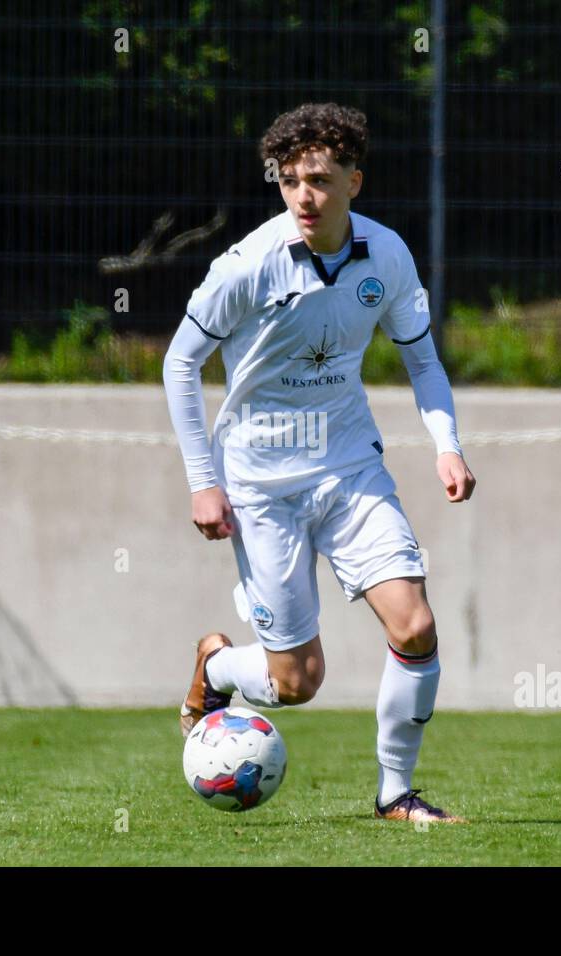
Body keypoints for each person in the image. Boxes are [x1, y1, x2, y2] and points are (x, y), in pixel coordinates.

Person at [162, 103, 476, 822]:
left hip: (348, 470)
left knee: (416, 625)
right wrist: (202, 481)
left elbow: (421, 358)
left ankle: (395, 793)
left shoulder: (388, 256)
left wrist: (447, 446)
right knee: (297, 681)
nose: (305, 196)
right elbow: (181, 363)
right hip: (261, 486)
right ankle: (215, 666)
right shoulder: (246, 264)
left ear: (354, 182)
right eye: (291, 181)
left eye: (322, 180)